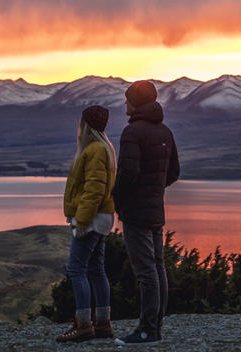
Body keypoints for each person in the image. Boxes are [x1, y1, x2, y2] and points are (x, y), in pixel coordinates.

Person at [112, 80, 180, 345]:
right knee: (158, 266)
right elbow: (174, 172)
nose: (124, 103)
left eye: (127, 99)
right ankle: (155, 324)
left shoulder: (132, 133)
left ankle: (148, 330)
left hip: (137, 212)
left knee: (146, 271)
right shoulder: (165, 131)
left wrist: (117, 197)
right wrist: (154, 189)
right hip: (155, 209)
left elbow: (128, 173)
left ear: (136, 102)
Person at [55, 105, 118, 343]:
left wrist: (81, 220)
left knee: (76, 269)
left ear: (86, 125)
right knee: (95, 269)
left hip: (91, 219)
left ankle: (83, 325)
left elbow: (94, 189)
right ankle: (102, 323)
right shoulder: (105, 148)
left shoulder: (94, 150)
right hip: (100, 216)